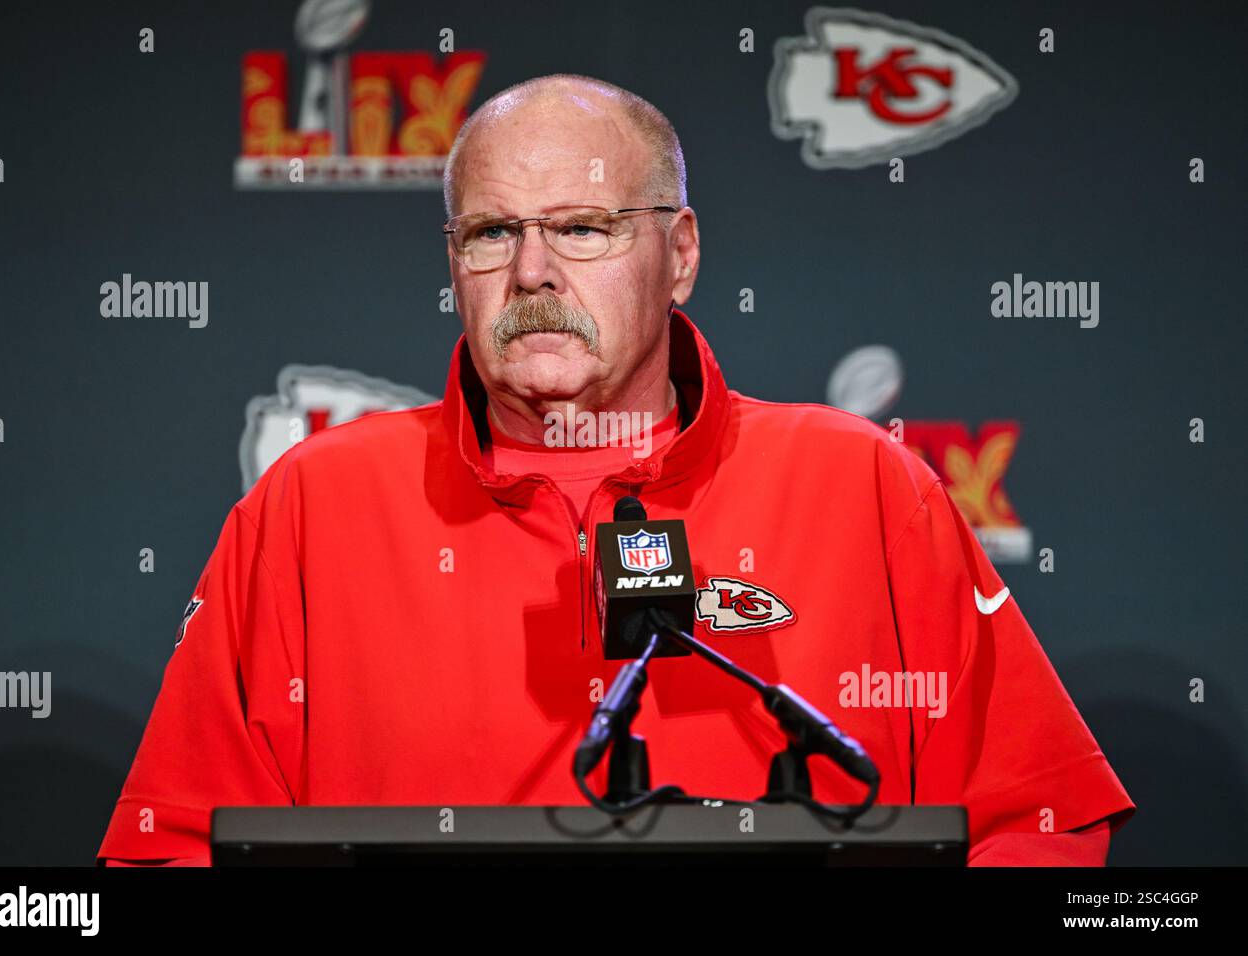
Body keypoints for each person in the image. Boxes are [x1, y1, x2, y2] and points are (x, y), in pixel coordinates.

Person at [97, 74, 1134, 866]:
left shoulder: (865, 485)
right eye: (493, 232)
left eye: (584, 227)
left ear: (680, 253)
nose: (533, 271)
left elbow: (1035, 819)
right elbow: (172, 839)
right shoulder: (312, 505)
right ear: (452, 261)